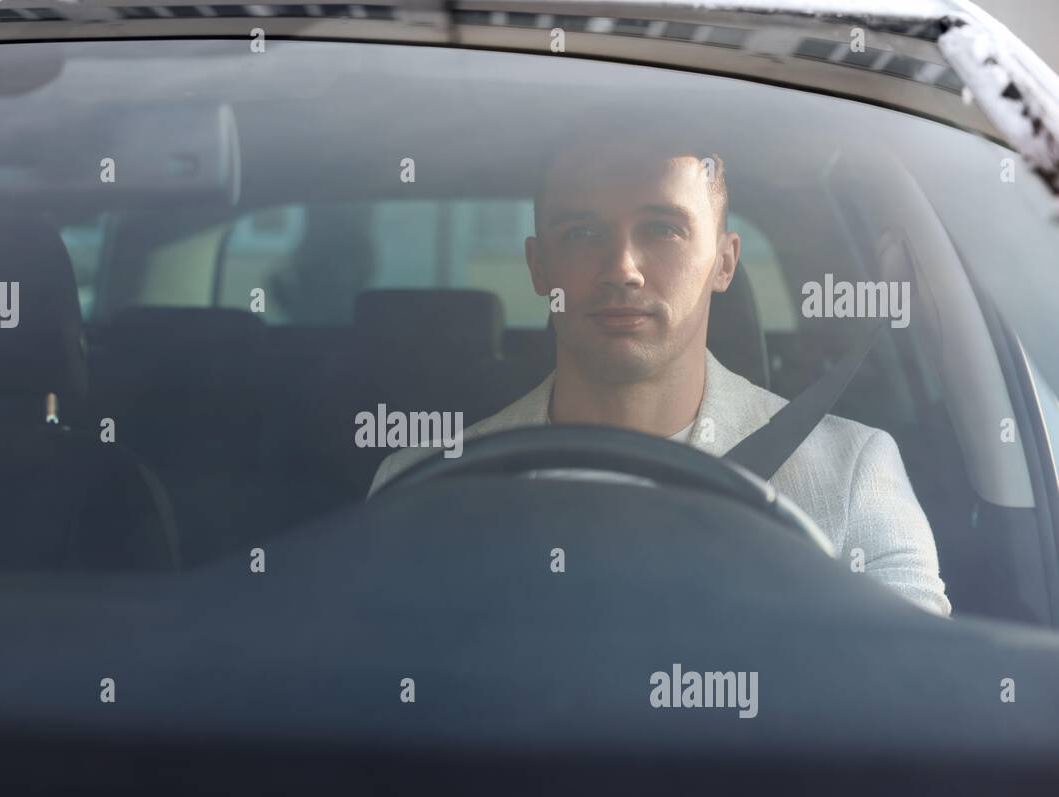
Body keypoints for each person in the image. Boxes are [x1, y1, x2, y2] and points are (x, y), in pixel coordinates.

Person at [368, 131, 951, 616]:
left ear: (724, 261)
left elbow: (915, 702)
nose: (621, 269)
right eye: (582, 233)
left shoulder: (851, 471)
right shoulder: (423, 484)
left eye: (663, 229)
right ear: (538, 266)